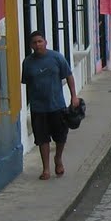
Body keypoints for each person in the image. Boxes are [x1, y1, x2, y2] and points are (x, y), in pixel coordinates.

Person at [20, 30, 77, 181]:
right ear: (30, 45)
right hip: (38, 108)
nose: (37, 45)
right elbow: (27, 83)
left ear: (45, 42)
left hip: (57, 105)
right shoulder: (27, 63)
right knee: (42, 139)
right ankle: (46, 169)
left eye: (40, 41)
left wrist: (74, 96)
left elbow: (69, 76)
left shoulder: (56, 58)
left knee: (60, 136)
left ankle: (58, 158)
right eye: (34, 42)